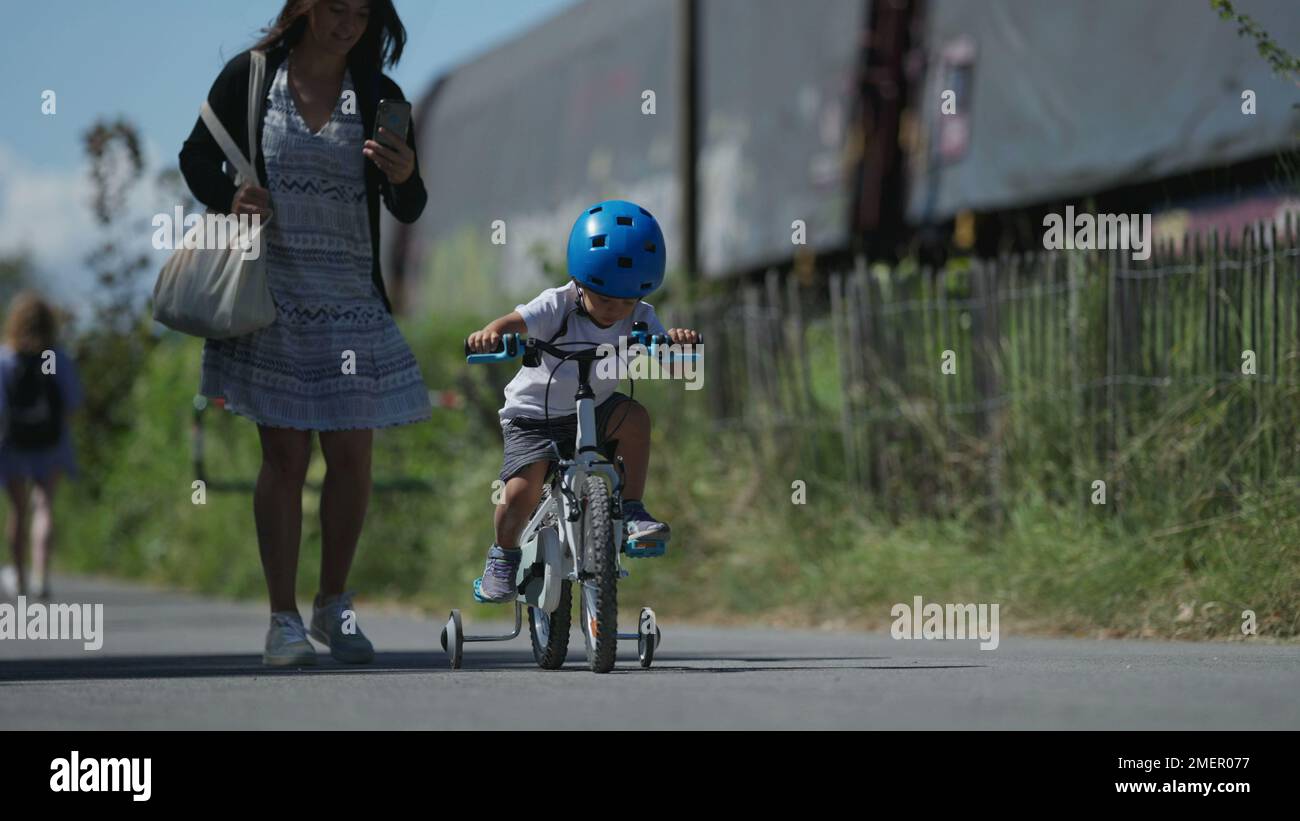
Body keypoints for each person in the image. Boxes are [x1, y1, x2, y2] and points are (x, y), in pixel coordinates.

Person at [179, 0, 430, 666]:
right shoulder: (253, 76)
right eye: (337, 9)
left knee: (352, 460)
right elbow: (196, 158)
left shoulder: (379, 93)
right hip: (274, 299)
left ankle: (334, 605)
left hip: (351, 303)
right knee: (285, 462)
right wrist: (231, 194)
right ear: (306, 7)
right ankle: (283, 619)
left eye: (362, 13)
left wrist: (405, 177)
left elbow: (409, 201)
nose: (349, 24)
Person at [465, 200, 701, 602]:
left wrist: (677, 346)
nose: (616, 312)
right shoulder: (557, 304)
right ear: (581, 282)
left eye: (626, 302)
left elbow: (676, 368)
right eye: (606, 299)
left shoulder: (640, 315)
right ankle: (503, 555)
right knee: (521, 491)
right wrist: (491, 334)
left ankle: (631, 511)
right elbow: (513, 322)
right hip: (534, 416)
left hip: (593, 410)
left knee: (635, 418)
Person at [0, 291, 84, 600]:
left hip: (12, 445)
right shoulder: (57, 358)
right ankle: (41, 576)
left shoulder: (5, 359)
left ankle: (19, 579)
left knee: (18, 511)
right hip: (51, 443)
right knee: (44, 507)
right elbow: (73, 403)